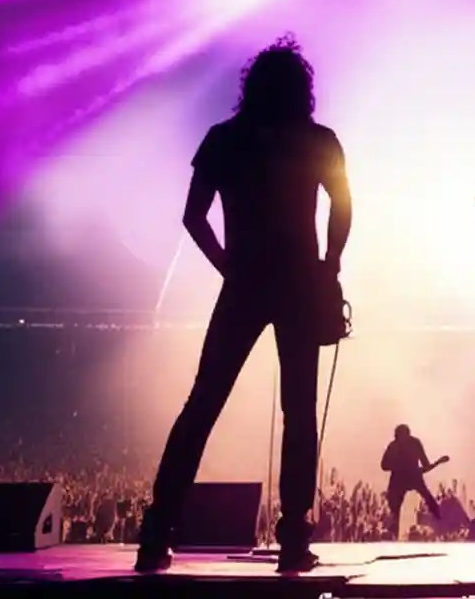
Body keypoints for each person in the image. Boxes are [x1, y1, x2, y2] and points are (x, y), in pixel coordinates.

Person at [135, 36, 352, 573]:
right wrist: (329, 265)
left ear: (250, 87)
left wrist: (227, 265)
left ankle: (156, 532)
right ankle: (293, 540)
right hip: (299, 283)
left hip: (245, 283)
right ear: (302, 90)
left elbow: (193, 216)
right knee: (299, 412)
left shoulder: (224, 139)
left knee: (203, 403)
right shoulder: (318, 140)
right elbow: (343, 206)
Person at [381, 425, 447, 538]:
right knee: (394, 509)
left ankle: (441, 526)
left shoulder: (413, 444)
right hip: (401, 478)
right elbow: (384, 465)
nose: (398, 439)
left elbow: (425, 466)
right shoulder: (394, 445)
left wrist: (437, 463)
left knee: (429, 500)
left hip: (410, 476)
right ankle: (392, 532)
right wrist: (401, 467)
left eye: (399, 436)